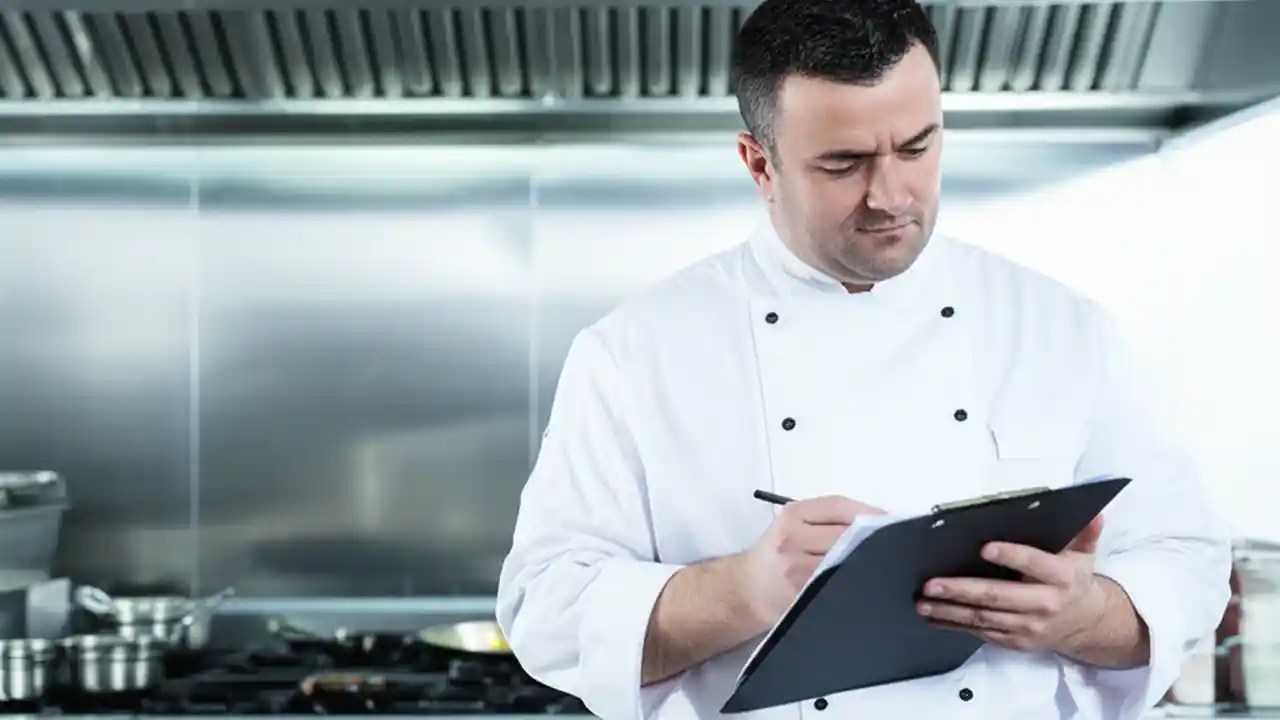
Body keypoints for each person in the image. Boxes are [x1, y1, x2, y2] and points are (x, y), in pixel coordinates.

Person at [495, 0, 1231, 717]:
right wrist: (744, 590)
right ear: (759, 164)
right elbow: (546, 610)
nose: (891, 196)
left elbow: (1186, 561)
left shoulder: (1061, 329)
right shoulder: (633, 354)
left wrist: (1084, 616)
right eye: (843, 164)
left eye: (916, 147)